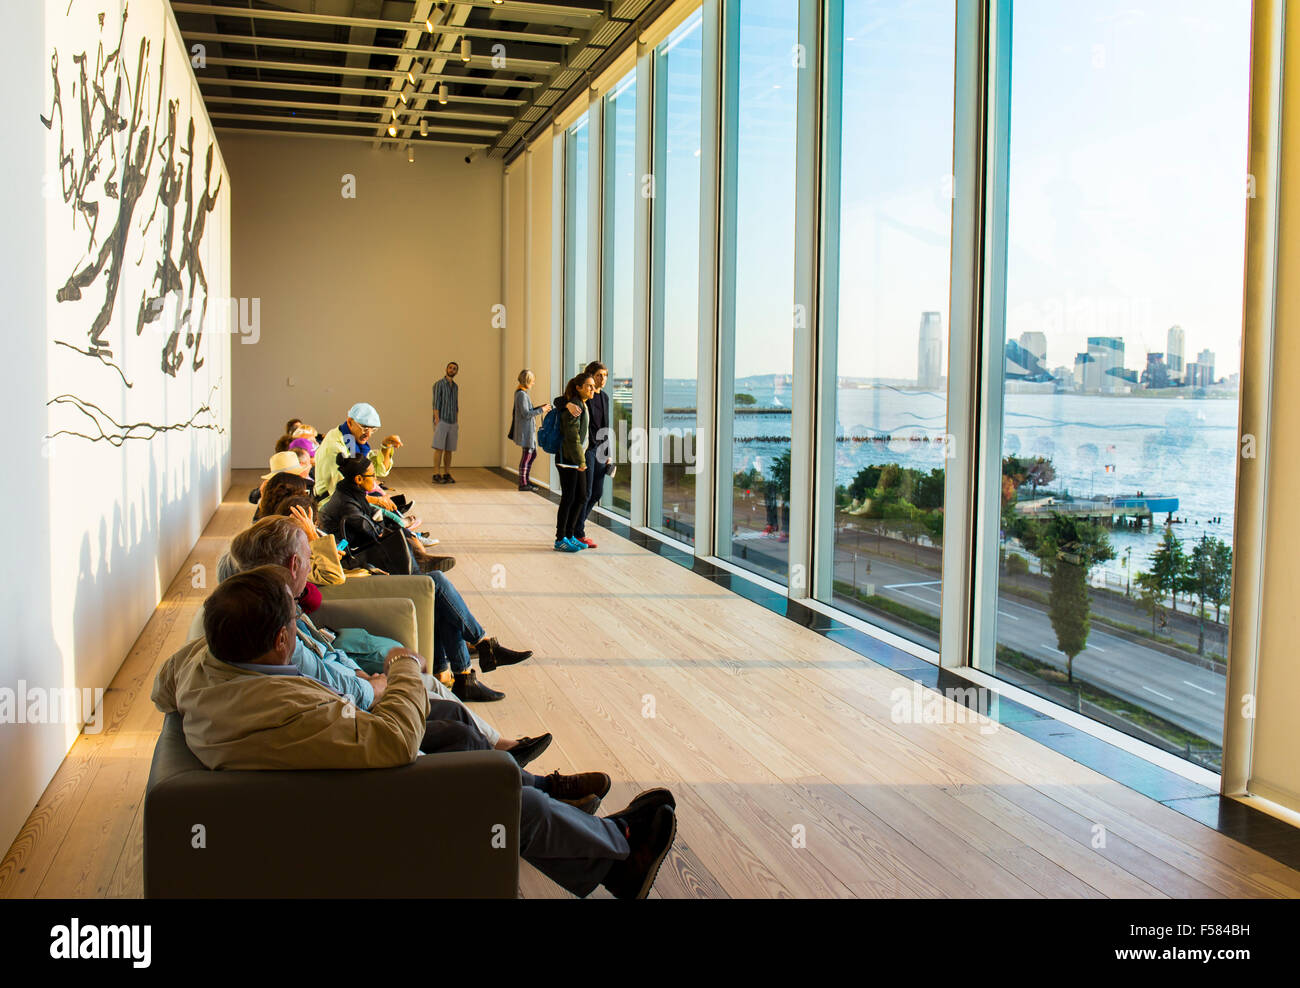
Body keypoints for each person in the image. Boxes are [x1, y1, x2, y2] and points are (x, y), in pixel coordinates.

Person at [153, 566, 678, 897]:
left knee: (445, 722)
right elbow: (391, 743)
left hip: (314, 772)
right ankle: (620, 852)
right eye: (294, 627)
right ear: (279, 641)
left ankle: (556, 799)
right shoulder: (282, 707)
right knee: (499, 793)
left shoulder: (201, 660)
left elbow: (160, 693)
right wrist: (404, 668)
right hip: (346, 807)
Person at [224, 523, 549, 764]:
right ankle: (477, 664)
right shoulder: (276, 624)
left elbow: (321, 644)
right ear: (294, 564)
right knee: (436, 591)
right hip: (355, 698)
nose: (310, 566)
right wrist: (369, 684)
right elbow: (322, 668)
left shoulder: (272, 601)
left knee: (437, 612)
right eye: (307, 558)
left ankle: (474, 683)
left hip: (345, 667)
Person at [318, 453, 454, 574]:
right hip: (347, 552)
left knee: (398, 532)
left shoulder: (348, 491)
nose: (375, 478)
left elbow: (368, 516)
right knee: (394, 539)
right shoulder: (346, 503)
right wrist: (387, 527)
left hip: (352, 539)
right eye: (372, 475)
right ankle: (417, 569)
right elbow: (371, 531)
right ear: (359, 479)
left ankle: (421, 559)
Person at [314, 403, 403, 499]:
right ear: (350, 422)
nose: (368, 434)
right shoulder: (334, 447)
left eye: (373, 429)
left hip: (350, 494)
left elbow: (379, 470)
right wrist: (378, 501)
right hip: (331, 500)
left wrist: (386, 446)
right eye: (365, 428)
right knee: (380, 500)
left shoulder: (351, 441)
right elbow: (341, 492)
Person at [553, 373, 594, 552]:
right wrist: (581, 461)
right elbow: (572, 436)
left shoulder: (581, 403)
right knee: (569, 498)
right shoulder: (575, 405)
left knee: (581, 496)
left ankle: (569, 535)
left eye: (593, 386)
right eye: (589, 386)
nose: (592, 389)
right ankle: (560, 538)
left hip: (576, 459)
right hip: (569, 459)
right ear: (578, 387)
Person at [574, 361, 613, 548]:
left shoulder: (604, 397)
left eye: (605, 375)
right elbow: (561, 400)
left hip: (601, 451)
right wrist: (567, 407)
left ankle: (576, 526)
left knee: (597, 493)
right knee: (586, 491)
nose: (603, 379)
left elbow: (606, 426)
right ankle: (578, 532)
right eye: (599, 375)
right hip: (587, 450)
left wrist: (608, 453)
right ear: (591, 375)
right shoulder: (585, 395)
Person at [511, 369, 550, 491]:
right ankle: (523, 483)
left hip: (527, 430)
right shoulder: (521, 394)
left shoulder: (522, 394)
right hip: (525, 431)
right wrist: (541, 410)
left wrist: (540, 408)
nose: (533, 383)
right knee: (527, 455)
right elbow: (526, 413)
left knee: (531, 454)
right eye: (532, 381)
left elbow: (528, 410)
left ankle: (526, 480)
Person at [432, 362, 460, 484]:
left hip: (453, 421)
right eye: (450, 368)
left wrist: (457, 420)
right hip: (442, 420)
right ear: (446, 369)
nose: (452, 370)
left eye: (454, 369)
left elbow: (456, 404)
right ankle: (436, 473)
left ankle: (446, 473)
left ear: (456, 372)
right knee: (439, 448)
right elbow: (436, 403)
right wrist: (437, 420)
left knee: (449, 449)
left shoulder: (455, 387)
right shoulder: (439, 384)